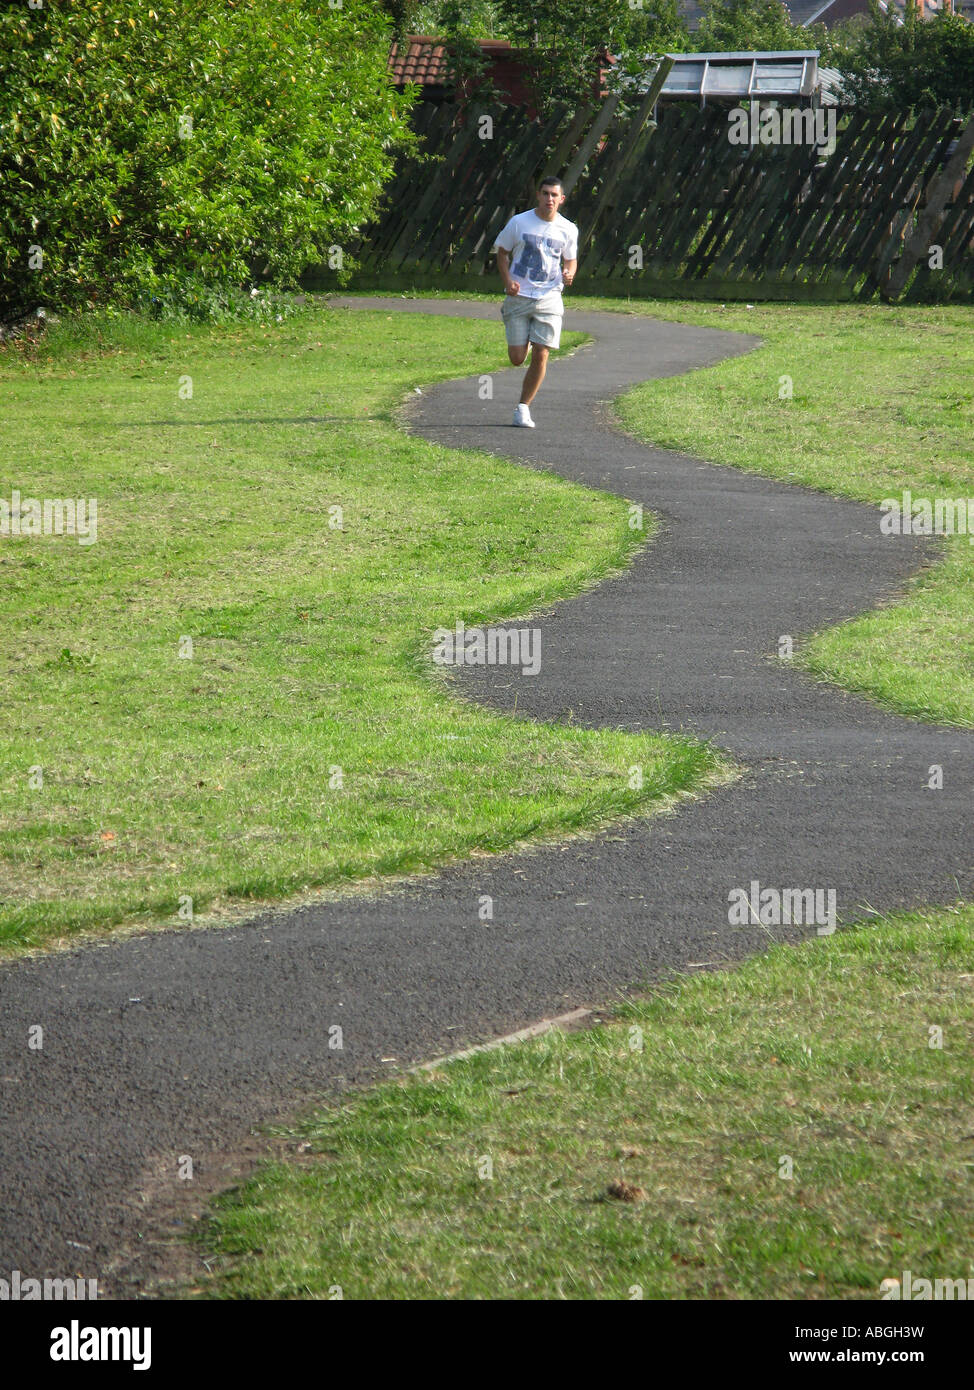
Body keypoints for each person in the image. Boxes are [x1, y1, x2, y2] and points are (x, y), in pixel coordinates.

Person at [492, 176, 578, 428]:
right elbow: (502, 253)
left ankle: (523, 408)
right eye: (545, 194)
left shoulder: (568, 229)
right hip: (519, 297)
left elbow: (570, 259)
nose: (549, 199)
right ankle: (526, 341)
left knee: (542, 353)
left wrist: (570, 272)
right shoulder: (519, 223)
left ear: (561, 199)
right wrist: (508, 282)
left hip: (549, 297)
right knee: (517, 358)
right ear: (538, 196)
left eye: (554, 195)